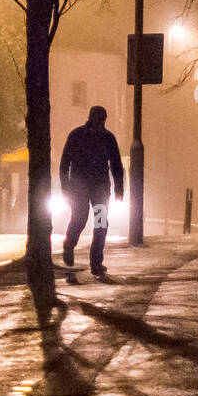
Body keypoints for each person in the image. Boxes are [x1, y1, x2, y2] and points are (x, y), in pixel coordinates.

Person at [58, 105, 125, 278]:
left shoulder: (77, 135)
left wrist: (65, 185)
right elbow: (116, 165)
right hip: (96, 187)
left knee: (83, 220)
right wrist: (119, 189)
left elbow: (65, 163)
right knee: (97, 222)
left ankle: (71, 247)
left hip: (83, 187)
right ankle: (94, 262)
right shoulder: (107, 138)